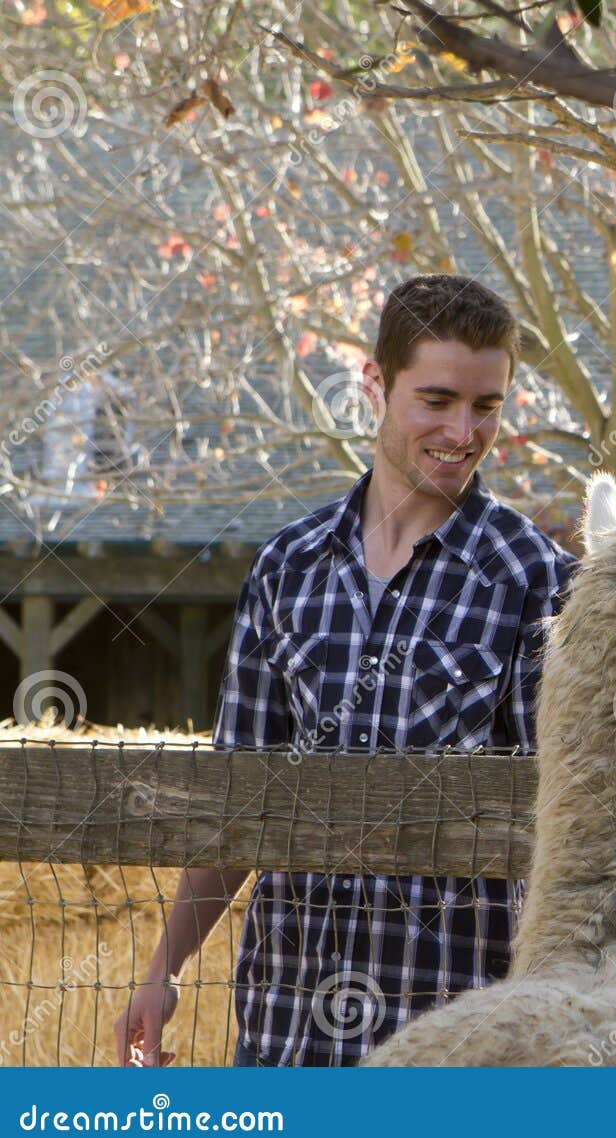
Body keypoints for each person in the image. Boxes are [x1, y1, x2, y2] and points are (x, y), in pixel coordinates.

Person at [114, 274, 576, 1066]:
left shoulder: (539, 583)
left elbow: (571, 833)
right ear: (373, 383)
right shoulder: (287, 567)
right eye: (436, 399)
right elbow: (239, 801)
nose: (463, 431)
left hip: (451, 1036)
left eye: (487, 406)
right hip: (285, 1022)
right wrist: (165, 970)